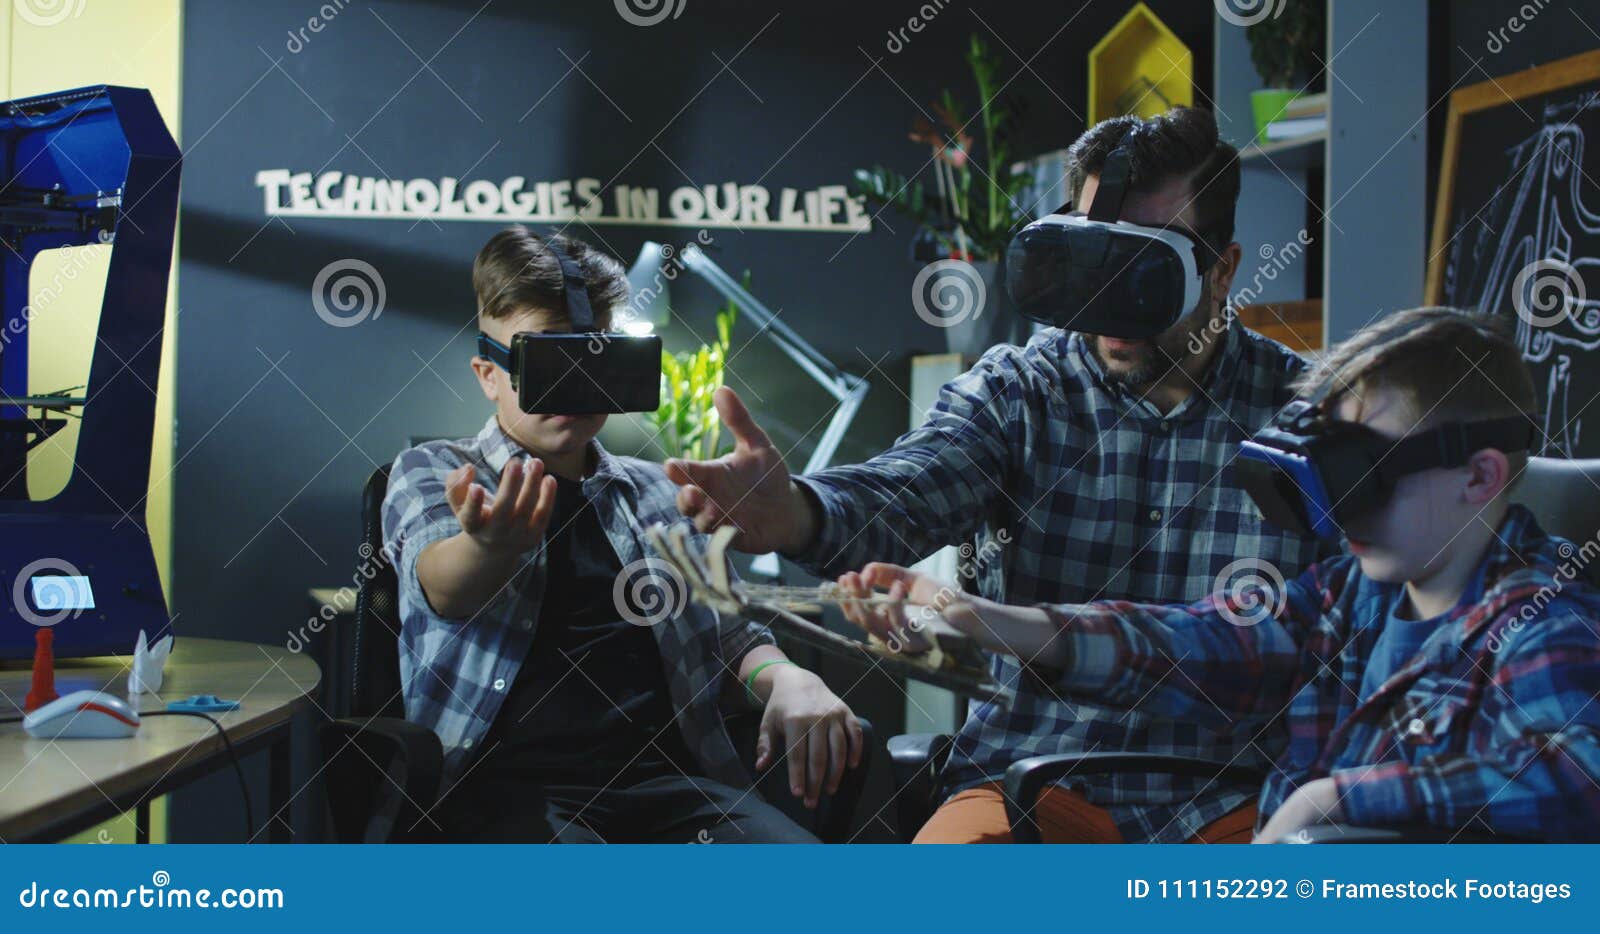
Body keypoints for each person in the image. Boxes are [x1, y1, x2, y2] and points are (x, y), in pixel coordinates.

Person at [669, 107, 1327, 842]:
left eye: (1142, 268)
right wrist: (794, 511)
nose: (1109, 300)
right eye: (1092, 255)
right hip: (1033, 775)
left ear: (1222, 269)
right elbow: (907, 488)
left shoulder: (1312, 416)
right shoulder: (1021, 389)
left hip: (1237, 799)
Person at [838, 308, 1600, 842]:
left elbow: (1580, 781)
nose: (1340, 504)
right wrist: (994, 621)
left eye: (1368, 472)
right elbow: (1201, 642)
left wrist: (1332, 798)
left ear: (1480, 477)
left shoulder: (1539, 624)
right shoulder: (1354, 596)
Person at [381, 226, 861, 842]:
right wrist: (489, 545)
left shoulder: (658, 490)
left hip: (671, 791)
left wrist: (788, 676)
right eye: (549, 358)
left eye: (593, 355)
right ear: (489, 374)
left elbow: (731, 633)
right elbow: (442, 588)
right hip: (509, 796)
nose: (573, 384)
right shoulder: (438, 472)